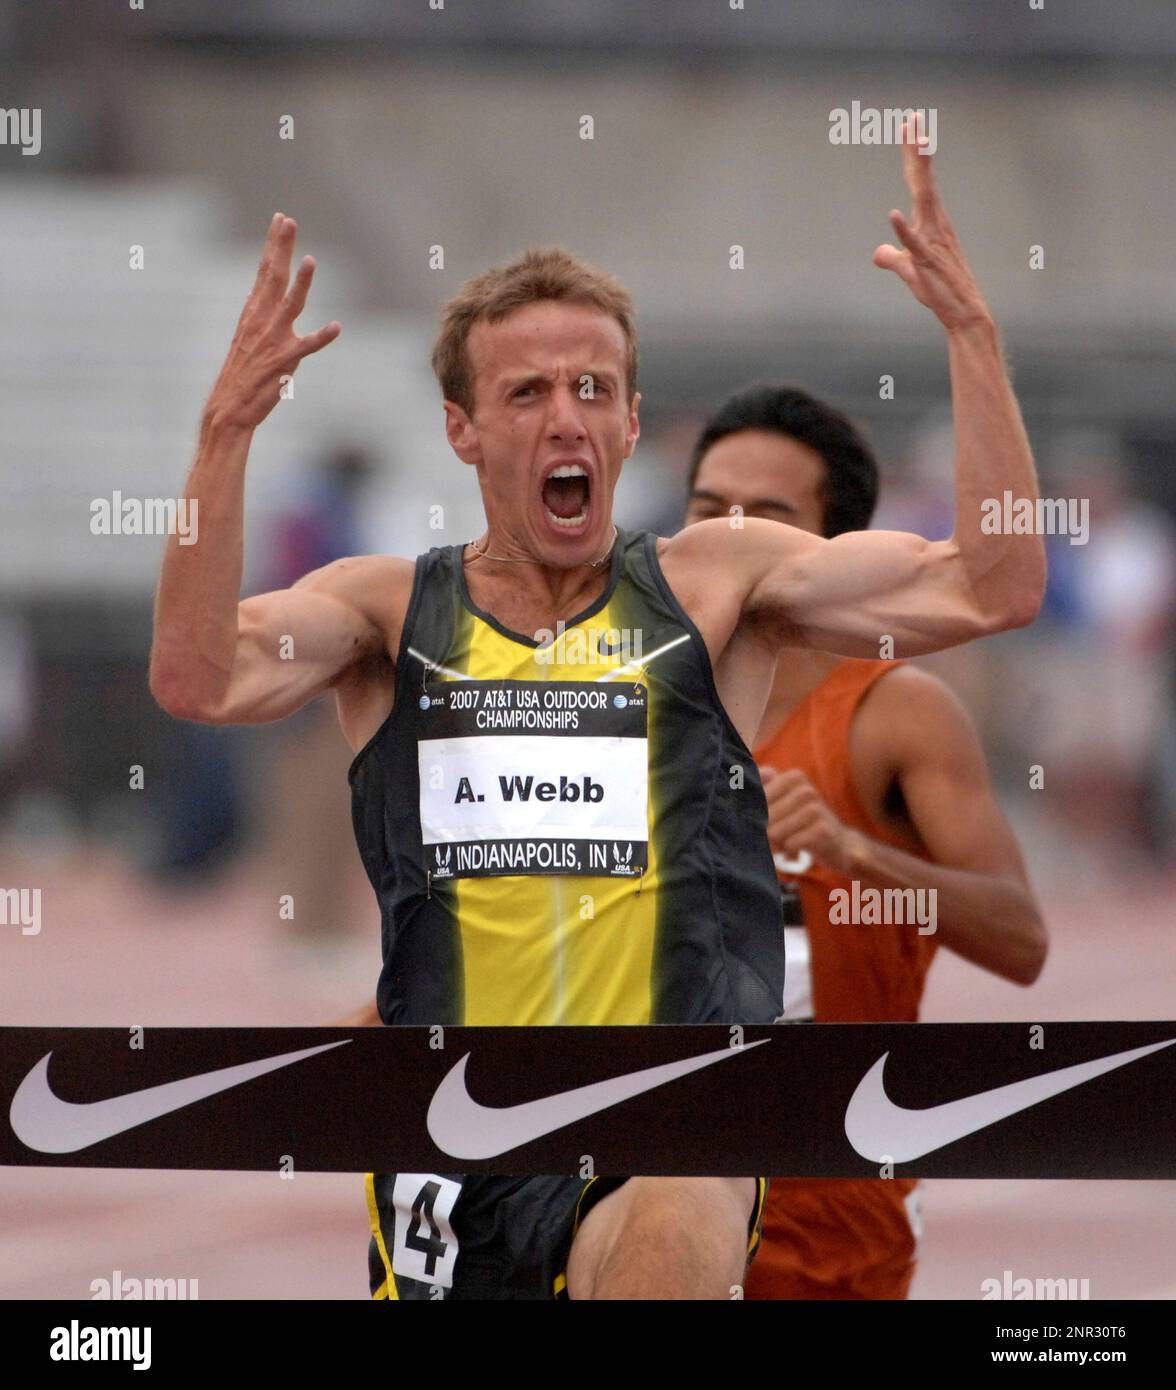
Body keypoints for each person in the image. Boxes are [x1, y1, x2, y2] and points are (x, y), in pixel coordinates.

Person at [149, 121, 1045, 1300]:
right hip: (453, 1144)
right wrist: (224, 436)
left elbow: (994, 581)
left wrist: (975, 337)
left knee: (675, 1223)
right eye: (527, 392)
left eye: (595, 390)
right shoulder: (382, 610)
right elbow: (197, 674)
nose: (567, 417)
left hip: (668, 1125)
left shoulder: (714, 584)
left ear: (629, 426)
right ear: (464, 430)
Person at [683, 383, 1048, 1299]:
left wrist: (857, 854)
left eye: (765, 517)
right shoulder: (635, 705)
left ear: (834, 548)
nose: (730, 540)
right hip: (648, 1180)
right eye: (705, 512)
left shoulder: (898, 712)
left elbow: (1020, 941)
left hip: (828, 1215)